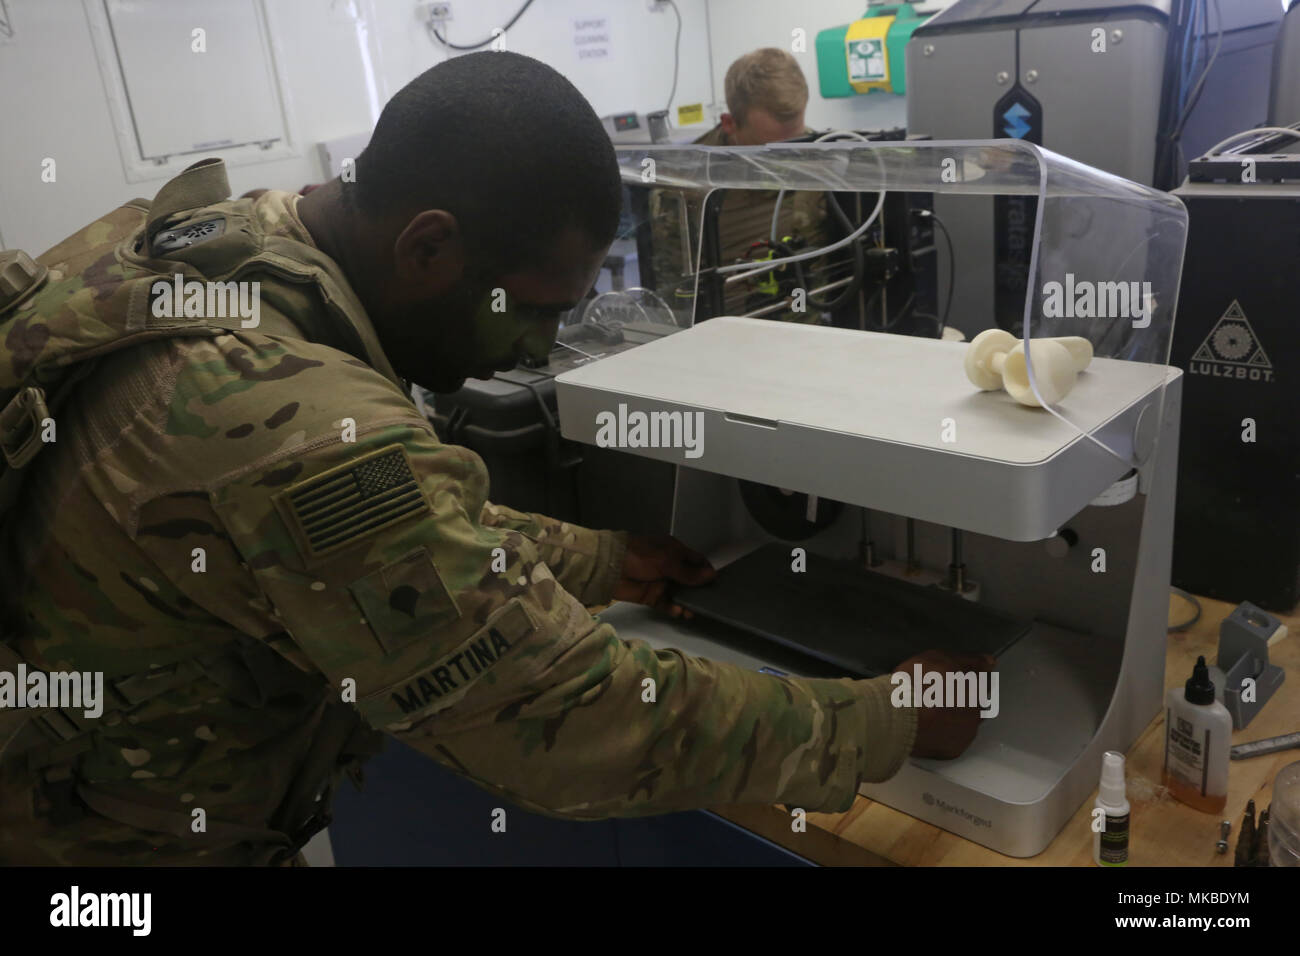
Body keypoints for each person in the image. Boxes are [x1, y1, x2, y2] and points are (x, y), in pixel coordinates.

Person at [0, 51, 986, 866]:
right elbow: (566, 717)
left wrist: (599, 558)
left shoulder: (241, 242)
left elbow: (373, 524)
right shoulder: (282, 416)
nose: (535, 350)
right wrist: (886, 717)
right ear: (429, 247)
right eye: (538, 309)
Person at [649, 48, 831, 320]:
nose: (787, 160)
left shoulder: (824, 159)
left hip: (810, 328)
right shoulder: (684, 186)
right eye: (769, 149)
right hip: (728, 336)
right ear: (729, 123)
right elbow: (675, 298)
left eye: (796, 143)